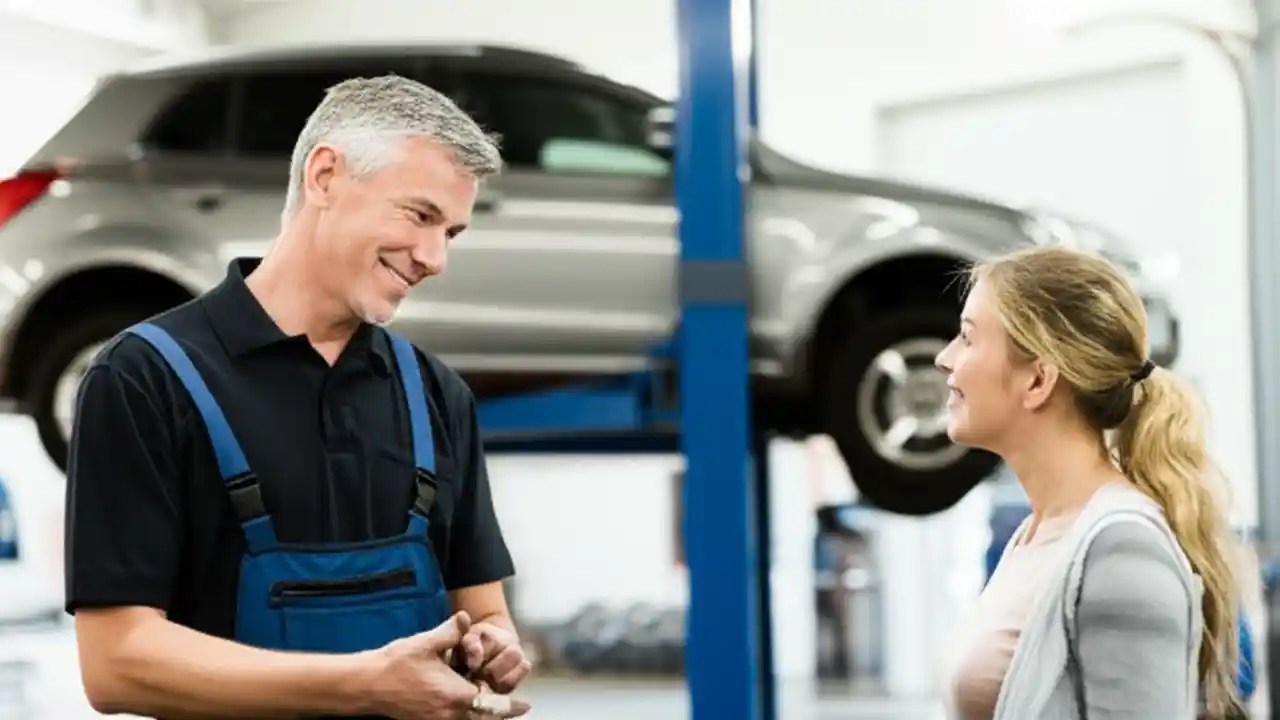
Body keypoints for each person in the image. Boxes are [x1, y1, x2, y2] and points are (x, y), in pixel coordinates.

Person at [63, 74, 532, 719]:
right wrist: (366, 683)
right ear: (324, 177)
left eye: (450, 232)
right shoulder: (144, 379)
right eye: (420, 215)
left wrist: (493, 645)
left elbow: (481, 608)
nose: (434, 258)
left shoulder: (435, 393)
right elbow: (116, 664)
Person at [934, 246, 1244, 720]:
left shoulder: (1122, 549)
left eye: (967, 338)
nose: (944, 358)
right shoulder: (1037, 535)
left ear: (1038, 381)